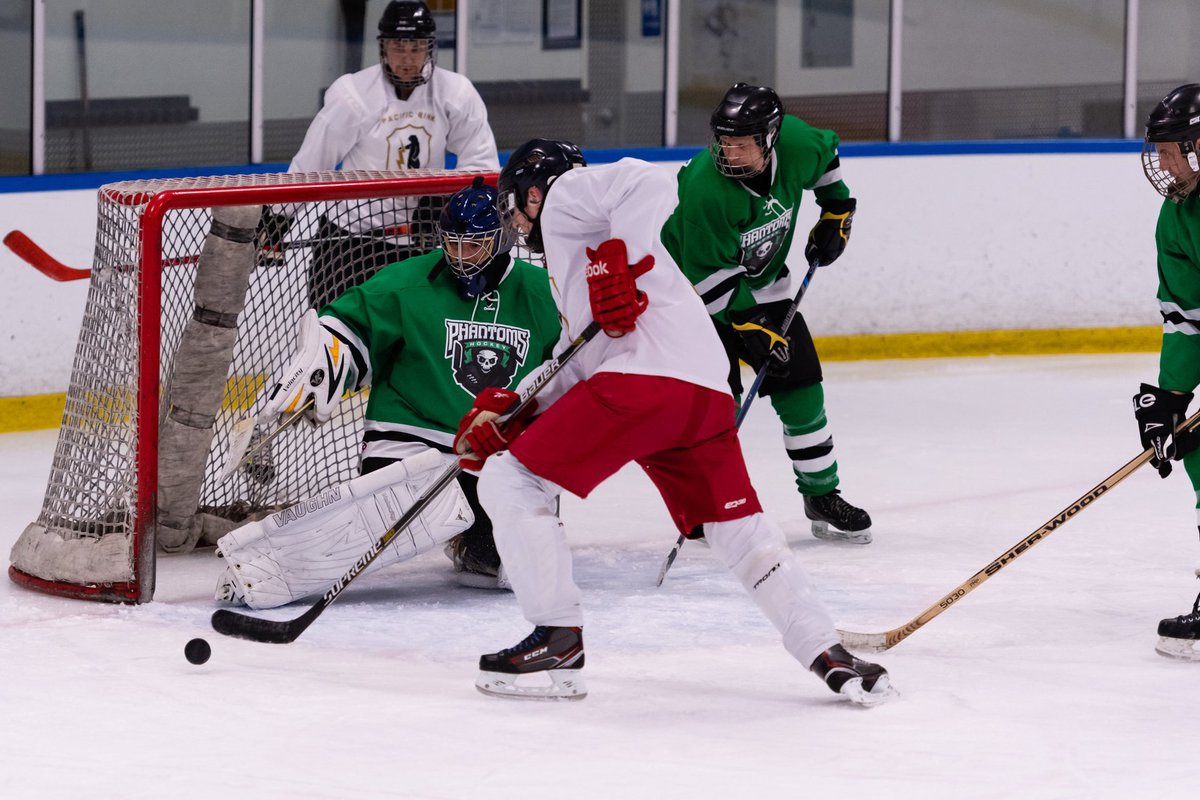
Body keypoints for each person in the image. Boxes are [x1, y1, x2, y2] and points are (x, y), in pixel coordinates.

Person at [454, 138, 897, 705]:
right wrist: (517, 407)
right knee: (740, 532)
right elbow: (575, 354)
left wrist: (625, 259)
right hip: (701, 391)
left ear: (533, 192)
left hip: (645, 386)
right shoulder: (576, 259)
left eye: (514, 206)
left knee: (508, 481)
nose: (514, 222)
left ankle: (557, 634)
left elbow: (647, 178)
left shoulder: (567, 197)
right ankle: (827, 652)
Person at [214, 180, 560, 608]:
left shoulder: (544, 293)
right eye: (452, 244)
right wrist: (323, 369)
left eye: (473, 246)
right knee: (361, 528)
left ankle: (469, 539)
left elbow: (571, 369)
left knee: (497, 567)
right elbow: (344, 330)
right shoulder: (406, 282)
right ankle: (258, 570)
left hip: (491, 450)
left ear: (502, 240)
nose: (459, 256)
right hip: (410, 442)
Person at [661, 83, 872, 545]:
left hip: (767, 289)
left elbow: (826, 163)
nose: (728, 152)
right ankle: (702, 503)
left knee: (802, 393)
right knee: (715, 407)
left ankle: (821, 494)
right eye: (723, 141)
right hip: (696, 300)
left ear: (770, 137)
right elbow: (705, 274)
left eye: (740, 144)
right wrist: (748, 324)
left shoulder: (795, 142)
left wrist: (836, 209)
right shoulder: (706, 188)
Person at [261, 0, 500, 308]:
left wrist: (447, 203)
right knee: (332, 336)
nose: (406, 59)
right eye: (398, 47)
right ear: (383, 47)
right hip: (349, 243)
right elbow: (313, 162)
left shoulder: (454, 93)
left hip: (419, 243)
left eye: (416, 48)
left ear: (430, 48)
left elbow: (481, 164)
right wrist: (279, 216)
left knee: (411, 342)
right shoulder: (354, 95)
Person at [1131, 82, 1200, 662]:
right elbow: (1186, 316)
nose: (1164, 163)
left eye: (1174, 148)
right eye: (1159, 150)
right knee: (1199, 445)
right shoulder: (1177, 215)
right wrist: (1171, 398)